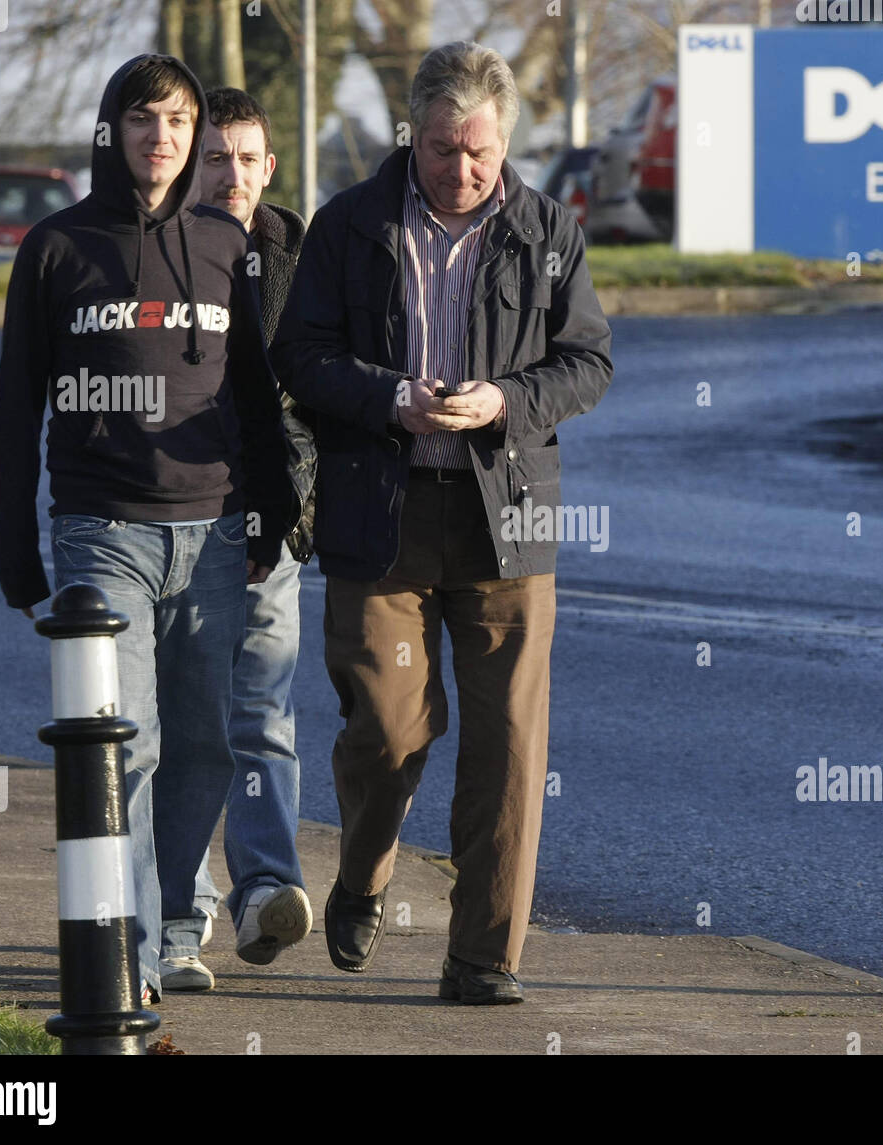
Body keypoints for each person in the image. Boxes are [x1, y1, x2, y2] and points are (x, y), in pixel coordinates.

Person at [272, 40, 613, 1004]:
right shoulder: (347, 226)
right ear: (409, 133)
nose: (461, 169)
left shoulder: (551, 229)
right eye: (440, 148)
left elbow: (587, 362)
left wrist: (503, 399)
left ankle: (483, 959)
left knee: (509, 743)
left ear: (505, 138)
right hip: (382, 518)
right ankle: (365, 870)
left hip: (507, 520)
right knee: (387, 729)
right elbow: (299, 353)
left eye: (479, 151)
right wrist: (388, 398)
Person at [0, 54, 290, 1005]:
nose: (160, 138)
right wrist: (12, 535)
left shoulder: (222, 245)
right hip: (100, 530)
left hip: (212, 529)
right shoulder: (55, 248)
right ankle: (125, 941)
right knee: (129, 741)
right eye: (142, 119)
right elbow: (15, 402)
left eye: (177, 121)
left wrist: (276, 504)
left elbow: (251, 392)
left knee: (206, 742)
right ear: (112, 130)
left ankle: (173, 927)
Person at [163, 86, 315, 988]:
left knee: (264, 716)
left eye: (246, 159)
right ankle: (180, 915)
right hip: (171, 521)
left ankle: (267, 890)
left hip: (269, 524)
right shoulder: (157, 252)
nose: (232, 176)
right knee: (185, 726)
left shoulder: (299, 256)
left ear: (268, 166)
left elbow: (315, 390)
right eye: (213, 158)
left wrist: (295, 500)